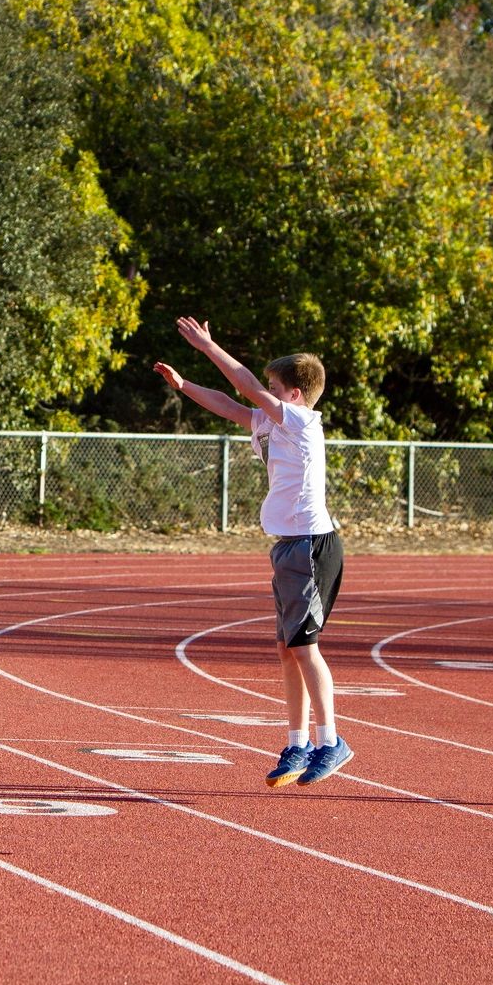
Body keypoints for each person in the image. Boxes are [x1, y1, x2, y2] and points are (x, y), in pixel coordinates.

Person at [155, 318, 352, 787]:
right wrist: (184, 385)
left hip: (310, 544)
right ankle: (298, 744)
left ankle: (331, 742)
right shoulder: (269, 419)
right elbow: (227, 401)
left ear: (295, 395)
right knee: (287, 650)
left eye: (272, 387)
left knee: (305, 647)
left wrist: (209, 347)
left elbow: (240, 381)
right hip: (287, 546)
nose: (262, 393)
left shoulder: (301, 422)